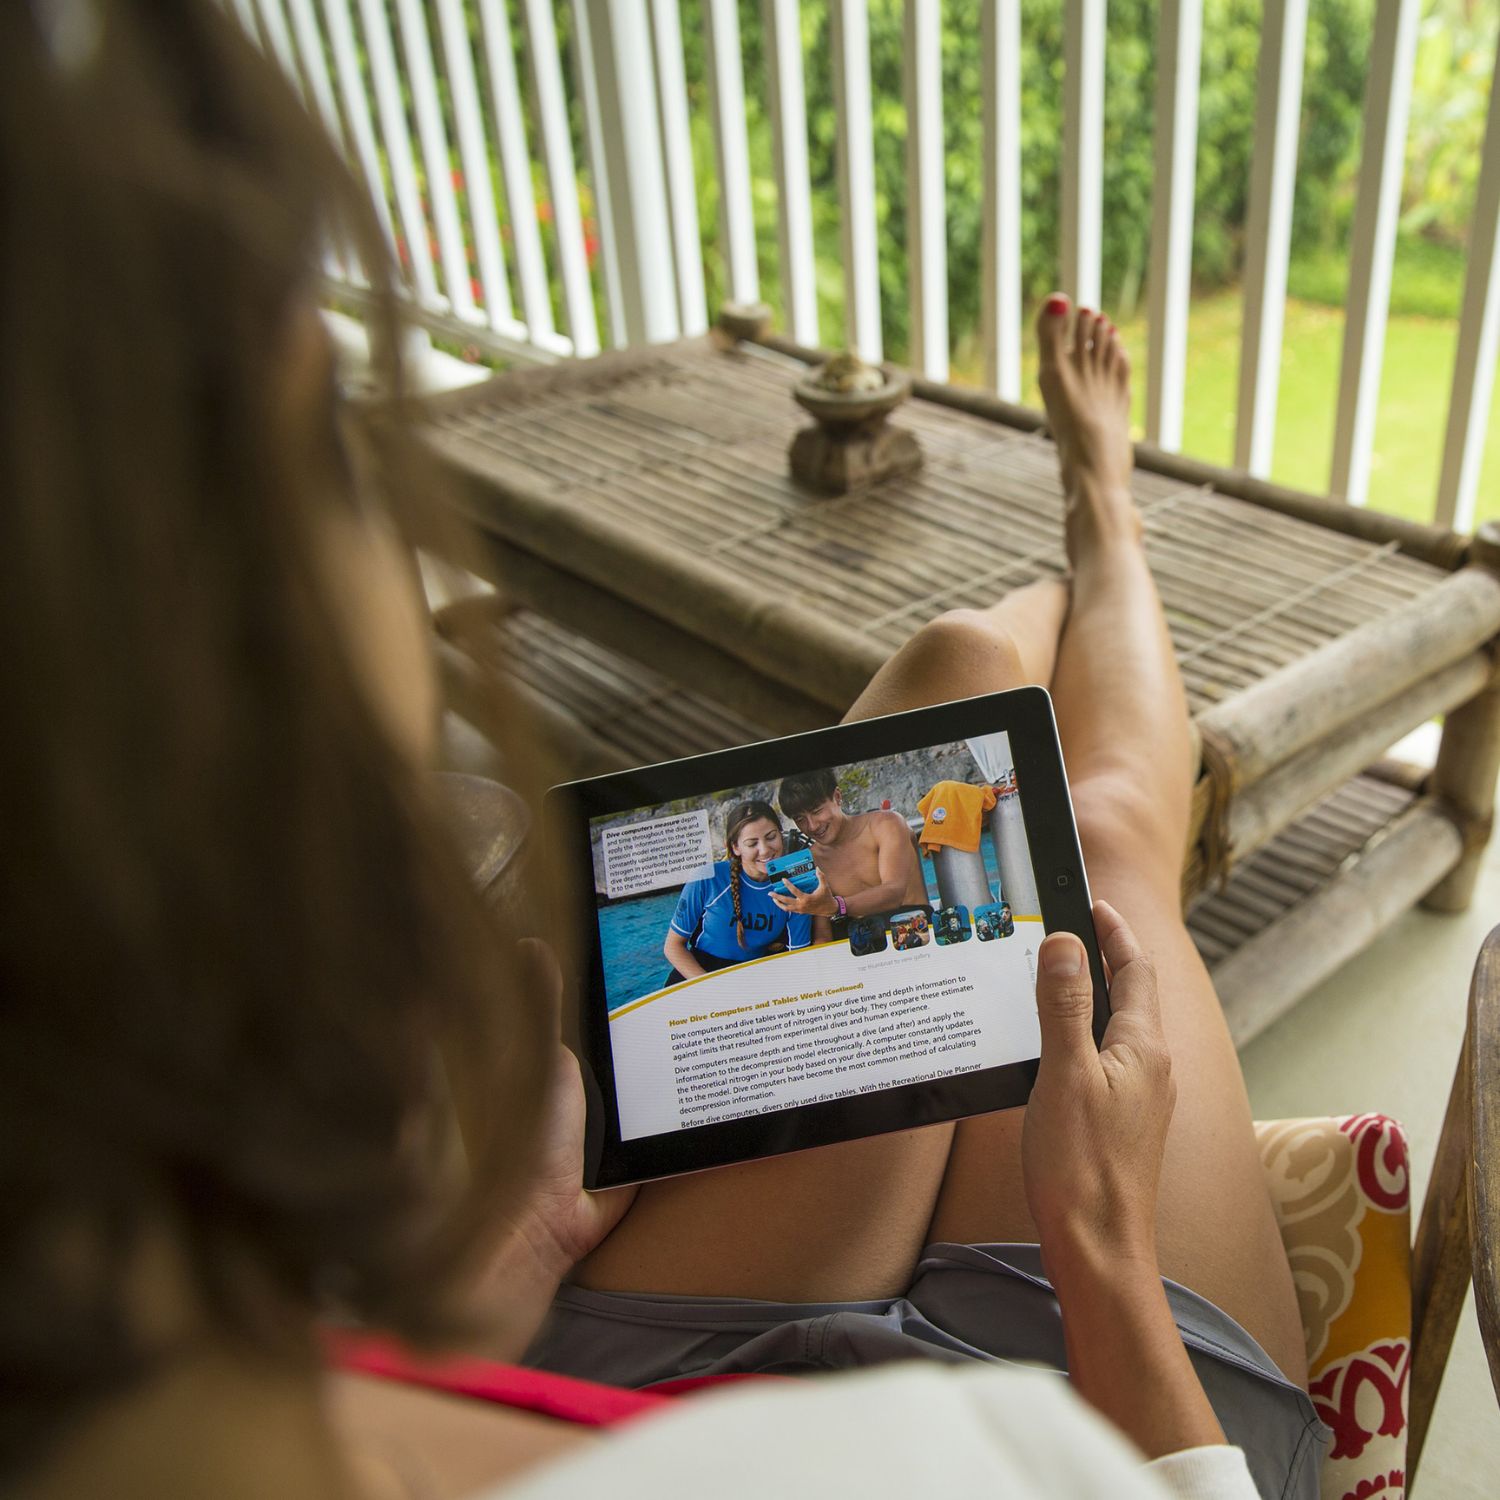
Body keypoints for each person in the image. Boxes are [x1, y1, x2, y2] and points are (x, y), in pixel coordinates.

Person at [3, 6, 1320, 1499]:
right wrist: (1100, 1242)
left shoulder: (167, 1354)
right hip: (1094, 1388)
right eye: (335, 451)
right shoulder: (982, 1460)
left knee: (963, 683)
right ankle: (1104, 524)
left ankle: (1065, 576)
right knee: (1112, 845)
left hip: (598, 1360)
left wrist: (501, 1272)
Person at [661, 800, 814, 982]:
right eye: (752, 843)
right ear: (735, 847)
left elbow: (799, 955)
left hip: (750, 978)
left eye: (771, 837)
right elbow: (673, 947)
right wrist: (711, 988)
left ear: (781, 835)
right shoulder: (707, 879)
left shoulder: (795, 886)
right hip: (697, 974)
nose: (764, 850)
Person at [768, 768, 929, 924]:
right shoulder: (812, 861)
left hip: (917, 929)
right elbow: (822, 928)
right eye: (800, 819)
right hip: (865, 936)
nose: (812, 826)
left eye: (817, 811)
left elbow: (894, 892)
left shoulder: (885, 824)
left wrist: (837, 907)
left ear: (837, 797)